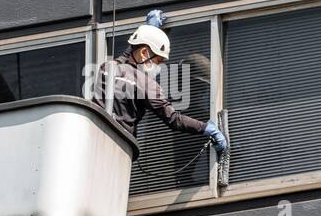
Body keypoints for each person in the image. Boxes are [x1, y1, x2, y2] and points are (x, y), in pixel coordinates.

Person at [93, 9, 228, 154]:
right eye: (158, 61)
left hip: (93, 139)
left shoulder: (107, 67)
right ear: (144, 53)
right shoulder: (146, 85)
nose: (159, 67)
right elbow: (174, 119)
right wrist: (205, 128)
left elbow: (126, 56)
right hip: (118, 149)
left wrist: (149, 31)